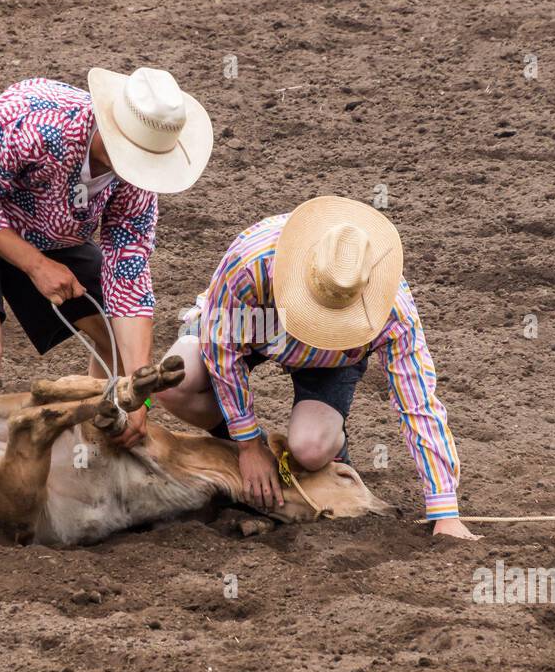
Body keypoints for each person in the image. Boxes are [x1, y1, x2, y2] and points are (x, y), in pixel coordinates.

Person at [0, 67, 213, 550]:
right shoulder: (34, 121)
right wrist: (35, 266)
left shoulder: (136, 181)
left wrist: (137, 393)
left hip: (45, 231)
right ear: (109, 128)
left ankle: (96, 441)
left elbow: (128, 274)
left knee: (110, 323)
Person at [155, 196, 476, 540]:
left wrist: (445, 511)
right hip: (251, 330)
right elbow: (223, 350)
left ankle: (315, 462)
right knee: (174, 380)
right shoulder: (251, 264)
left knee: (311, 449)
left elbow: (418, 404)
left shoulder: (392, 312)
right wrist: (248, 443)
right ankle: (255, 459)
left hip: (332, 359)